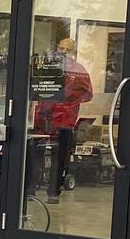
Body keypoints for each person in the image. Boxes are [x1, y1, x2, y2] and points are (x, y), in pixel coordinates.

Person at [34, 37, 93, 203]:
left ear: (73, 52)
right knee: (34, 154)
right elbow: (35, 87)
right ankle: (30, 189)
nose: (64, 52)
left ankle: (53, 192)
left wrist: (68, 103)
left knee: (59, 157)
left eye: (67, 50)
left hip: (64, 121)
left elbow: (87, 94)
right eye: (61, 48)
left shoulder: (78, 70)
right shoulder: (46, 66)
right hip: (43, 117)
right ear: (57, 48)